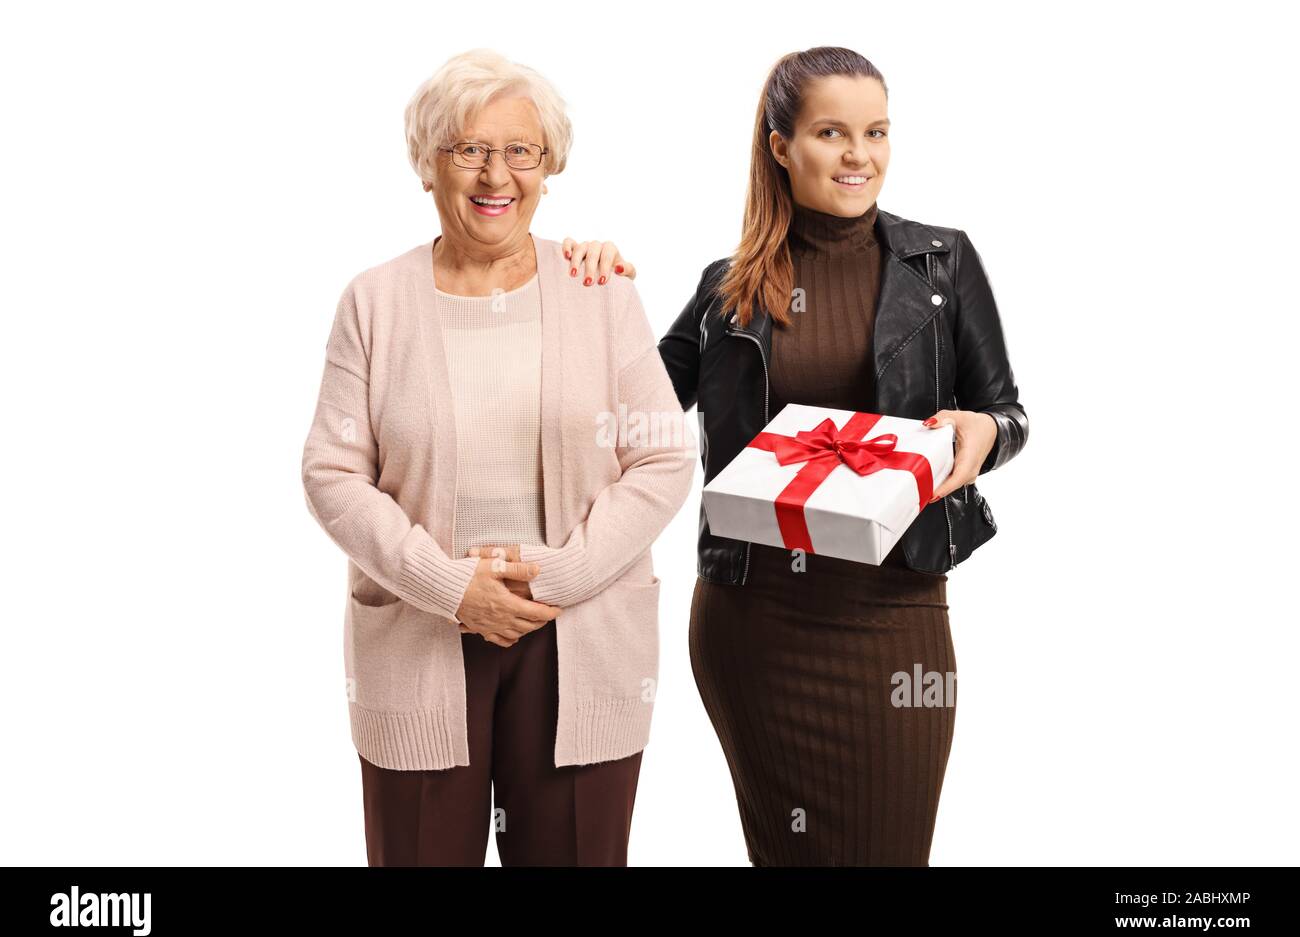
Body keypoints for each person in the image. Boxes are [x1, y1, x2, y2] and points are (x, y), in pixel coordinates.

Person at [300, 48, 694, 866]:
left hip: (582, 634)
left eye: (522, 151)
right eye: (468, 148)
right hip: (419, 632)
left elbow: (660, 458)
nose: (496, 174)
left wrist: (556, 576)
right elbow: (333, 475)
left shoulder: (601, 290)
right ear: (426, 164)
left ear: (548, 167)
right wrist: (452, 588)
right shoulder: (373, 302)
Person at [657, 46, 1029, 865]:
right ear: (781, 145)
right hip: (754, 625)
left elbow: (1009, 413)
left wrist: (984, 435)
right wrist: (592, 283)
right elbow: (632, 404)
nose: (860, 155)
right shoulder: (727, 289)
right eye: (832, 132)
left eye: (877, 132)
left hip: (894, 614)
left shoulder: (943, 263)